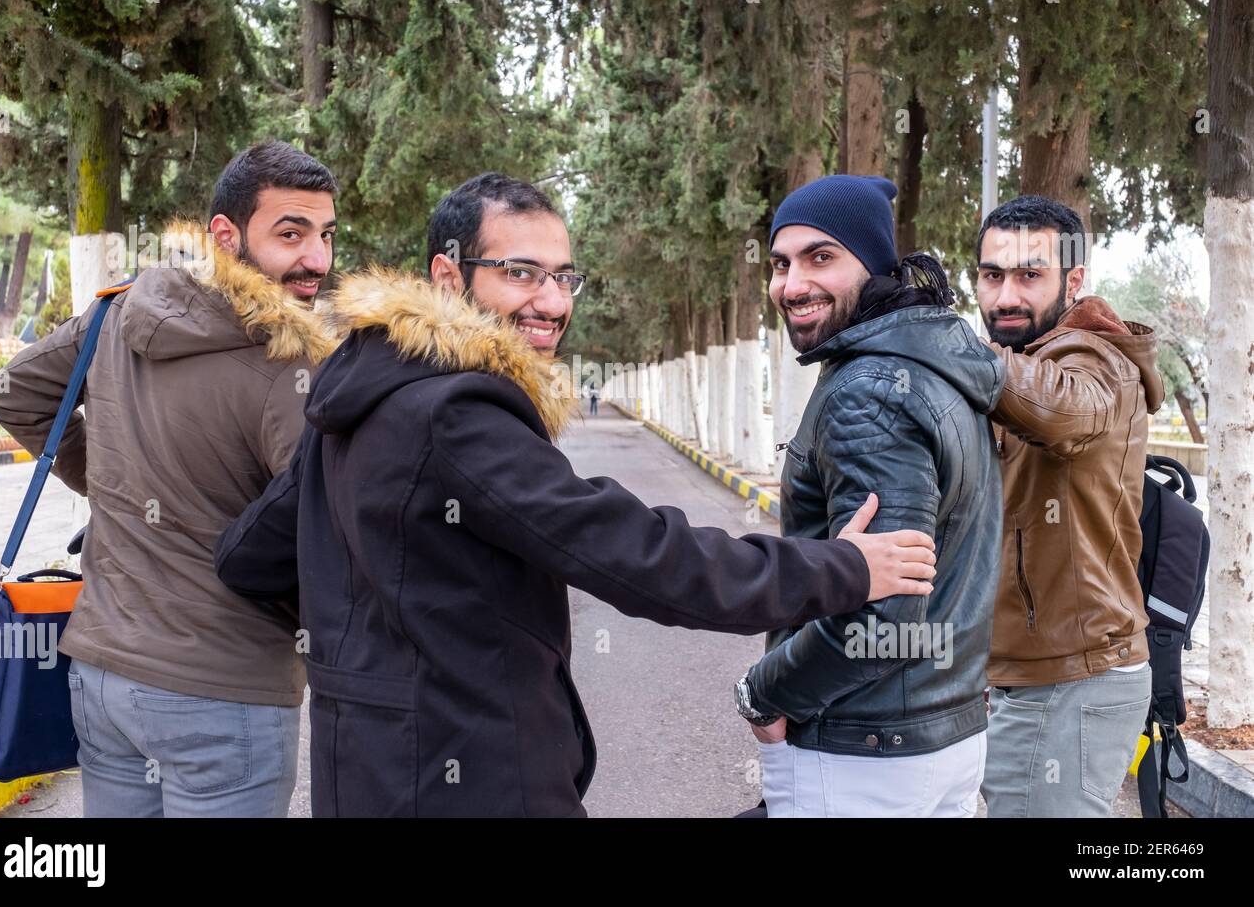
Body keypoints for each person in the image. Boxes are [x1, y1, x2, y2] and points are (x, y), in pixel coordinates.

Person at [214, 172, 937, 817]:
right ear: (448, 275)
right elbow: (638, 553)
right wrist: (844, 569)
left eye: (564, 277)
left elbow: (249, 557)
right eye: (521, 273)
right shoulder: (455, 414)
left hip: (360, 776)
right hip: (473, 783)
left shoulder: (357, 391)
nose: (552, 302)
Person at [0, 140, 338, 816]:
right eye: (290, 234)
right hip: (226, 694)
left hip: (102, 678)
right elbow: (323, 535)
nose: (316, 259)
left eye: (324, 235)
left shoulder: (116, 313)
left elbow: (11, 391)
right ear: (225, 235)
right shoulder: (291, 367)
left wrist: (108, 483)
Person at [733, 174, 1004, 817]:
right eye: (780, 264)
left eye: (821, 257)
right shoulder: (933, 366)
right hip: (945, 735)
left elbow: (882, 618)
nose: (791, 285)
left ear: (874, 264)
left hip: (863, 752)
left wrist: (764, 692)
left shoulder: (868, 391)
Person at [975, 195, 1163, 817]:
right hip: (1035, 671)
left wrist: (944, 342)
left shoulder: (1096, 359)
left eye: (1030, 275)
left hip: (1074, 677)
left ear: (1074, 279)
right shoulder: (1020, 365)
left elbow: (1064, 413)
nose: (1006, 296)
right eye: (992, 274)